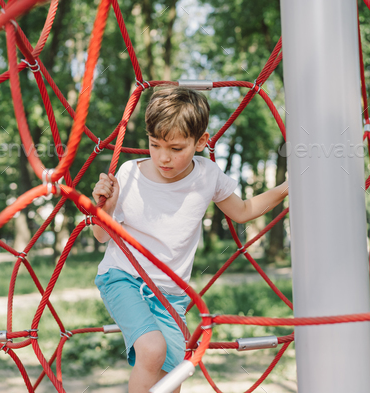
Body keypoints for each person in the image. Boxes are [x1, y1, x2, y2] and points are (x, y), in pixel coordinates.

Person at [91, 86, 288, 393]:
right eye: (155, 145)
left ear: (201, 143)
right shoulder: (130, 174)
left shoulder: (207, 175)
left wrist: (287, 188)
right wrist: (107, 206)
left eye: (176, 148)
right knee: (152, 350)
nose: (163, 157)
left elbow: (244, 211)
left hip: (170, 292)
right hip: (123, 277)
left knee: (175, 374)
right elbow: (102, 235)